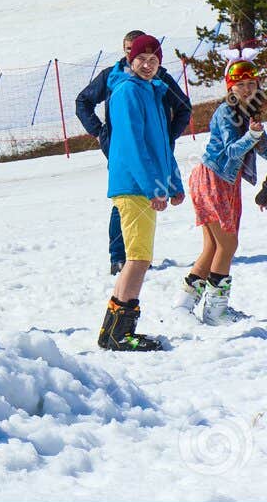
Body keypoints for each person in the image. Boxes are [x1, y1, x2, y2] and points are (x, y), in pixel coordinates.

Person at [77, 29, 193, 274]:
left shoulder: (158, 77)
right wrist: (99, 132)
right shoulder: (114, 77)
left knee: (141, 204)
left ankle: (137, 257)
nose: (142, 60)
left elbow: (183, 107)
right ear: (126, 53)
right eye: (130, 51)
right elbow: (83, 101)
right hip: (122, 148)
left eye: (149, 56)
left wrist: (166, 138)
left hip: (156, 151)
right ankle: (120, 256)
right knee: (125, 201)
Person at [96, 34, 185, 351]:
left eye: (153, 60)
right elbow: (134, 148)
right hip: (133, 186)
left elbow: (161, 144)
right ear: (130, 60)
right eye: (141, 59)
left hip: (143, 186)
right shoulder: (128, 93)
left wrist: (173, 183)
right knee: (139, 258)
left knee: (138, 257)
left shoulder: (150, 91)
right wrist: (153, 188)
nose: (147, 65)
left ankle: (111, 331)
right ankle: (122, 333)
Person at [180, 59, 265, 323]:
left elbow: (263, 148)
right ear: (230, 87)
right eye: (241, 85)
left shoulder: (250, 114)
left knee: (213, 246)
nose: (248, 89)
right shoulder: (227, 112)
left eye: (252, 84)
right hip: (212, 180)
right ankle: (216, 311)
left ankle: (184, 304)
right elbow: (231, 150)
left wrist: (257, 136)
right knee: (228, 244)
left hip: (227, 183)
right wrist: (252, 136)